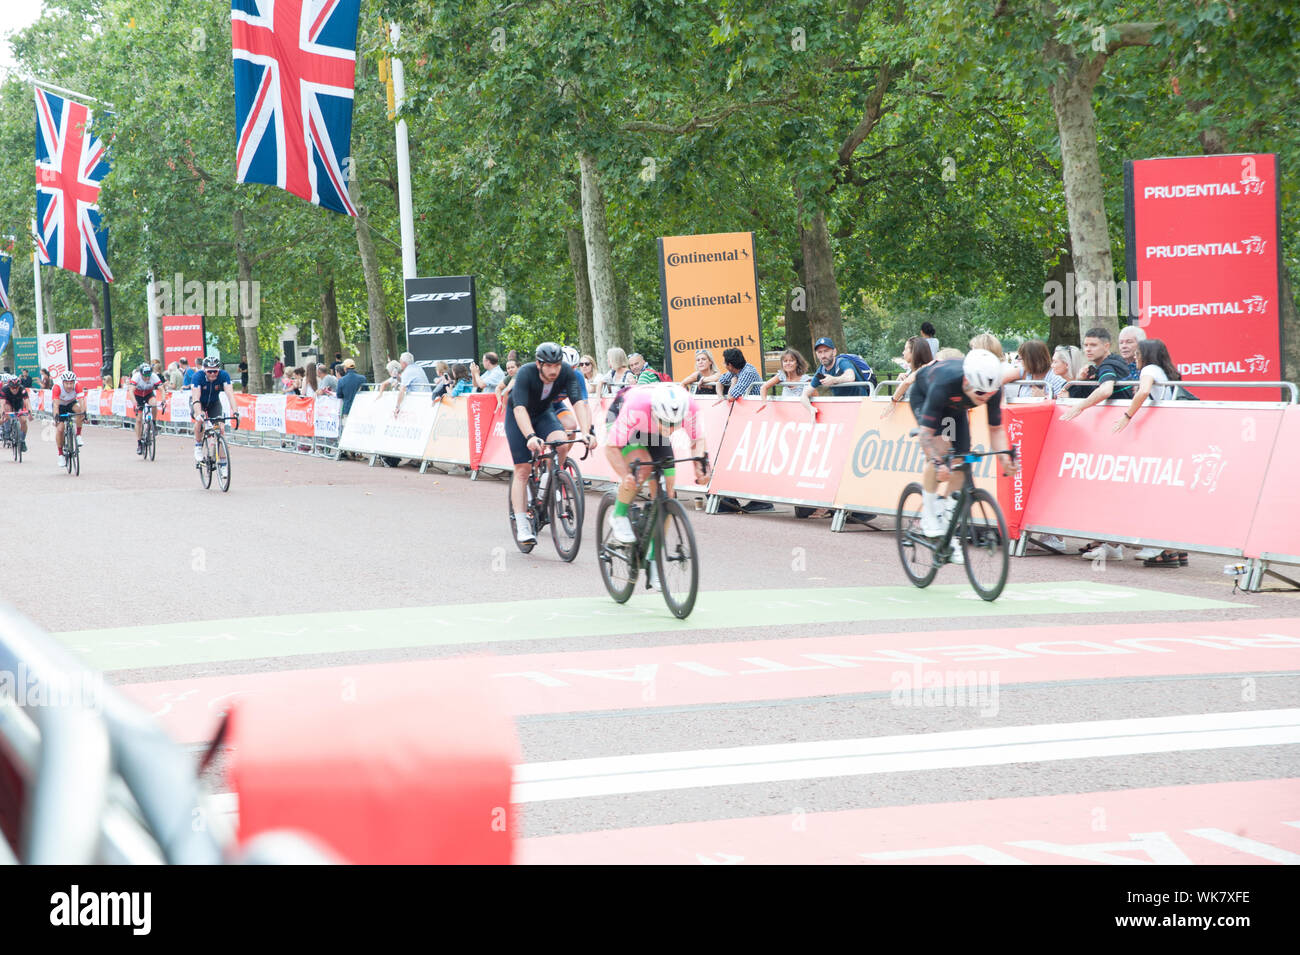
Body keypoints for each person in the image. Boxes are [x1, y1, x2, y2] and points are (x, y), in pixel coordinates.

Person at [909, 350, 1020, 562]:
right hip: (926, 395)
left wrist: (1005, 459)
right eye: (981, 394)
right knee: (940, 449)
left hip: (958, 406)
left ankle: (948, 530)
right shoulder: (943, 385)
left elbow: (996, 429)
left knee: (962, 459)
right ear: (967, 381)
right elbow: (925, 436)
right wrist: (937, 462)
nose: (985, 398)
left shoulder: (991, 390)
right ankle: (930, 515)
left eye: (990, 394)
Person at [603, 382, 710, 589]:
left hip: (653, 429)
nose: (671, 431)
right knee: (640, 470)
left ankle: (653, 560)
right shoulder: (636, 406)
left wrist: (700, 466)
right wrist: (625, 475)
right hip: (625, 419)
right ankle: (618, 514)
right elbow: (611, 447)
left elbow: (698, 441)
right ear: (655, 412)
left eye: (674, 425)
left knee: (668, 493)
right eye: (666, 424)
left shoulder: (688, 406)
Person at [507, 342, 595, 544]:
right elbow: (519, 409)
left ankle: (548, 480)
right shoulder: (526, 374)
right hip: (519, 416)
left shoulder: (566, 372)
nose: (554, 370)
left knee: (562, 444)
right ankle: (522, 525)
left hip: (544, 413)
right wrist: (530, 436)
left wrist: (587, 431)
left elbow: (579, 403)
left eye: (557, 365)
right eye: (549, 366)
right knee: (522, 469)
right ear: (539, 364)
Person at [1112, 338, 1187, 567]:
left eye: (1137, 353)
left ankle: (1160, 547)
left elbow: (1144, 391)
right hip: (1168, 437)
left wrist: (1127, 416)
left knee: (1153, 491)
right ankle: (1175, 548)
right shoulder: (1166, 371)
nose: (1135, 357)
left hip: (1158, 439)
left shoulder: (1149, 370)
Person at [1059, 327, 1134, 423]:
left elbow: (1105, 390)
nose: (1088, 349)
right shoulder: (1113, 361)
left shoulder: (1107, 366)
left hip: (1118, 418)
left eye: (1093, 345)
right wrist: (1080, 379)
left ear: (1106, 346)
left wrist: (1079, 407)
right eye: (1086, 345)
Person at [189, 356, 236, 474]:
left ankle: (223, 465)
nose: (212, 374)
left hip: (214, 403)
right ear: (204, 370)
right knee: (200, 420)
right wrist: (199, 413)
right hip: (199, 402)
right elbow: (196, 397)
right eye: (209, 371)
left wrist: (235, 411)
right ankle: (198, 445)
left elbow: (230, 394)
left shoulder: (223, 375)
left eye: (215, 371)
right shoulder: (197, 377)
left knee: (220, 430)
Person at [758, 347, 815, 421]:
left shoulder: (806, 380)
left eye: (791, 361)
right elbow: (764, 387)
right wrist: (764, 402)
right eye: (785, 361)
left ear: (797, 363)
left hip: (802, 416)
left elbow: (816, 399)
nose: (788, 363)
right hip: (786, 417)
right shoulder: (782, 376)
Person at [883, 336, 935, 416]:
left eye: (905, 349)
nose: (903, 352)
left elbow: (907, 383)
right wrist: (898, 381)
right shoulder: (910, 371)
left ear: (914, 351)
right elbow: (902, 394)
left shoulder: (925, 369)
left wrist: (892, 401)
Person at [128, 361, 165, 454]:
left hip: (148, 394)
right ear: (141, 374)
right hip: (138, 396)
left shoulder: (154, 376)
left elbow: (162, 389)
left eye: (149, 375)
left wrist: (164, 400)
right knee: (139, 420)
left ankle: (153, 423)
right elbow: (131, 391)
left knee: (154, 403)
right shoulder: (136, 377)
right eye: (145, 376)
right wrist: (134, 403)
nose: (147, 378)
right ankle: (139, 443)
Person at [51, 370, 86, 465]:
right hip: (60, 405)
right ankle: (60, 455)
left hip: (71, 403)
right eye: (67, 383)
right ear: (63, 383)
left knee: (79, 411)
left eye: (71, 383)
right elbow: (55, 405)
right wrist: (56, 417)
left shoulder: (78, 386)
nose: (69, 386)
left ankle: (78, 435)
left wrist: (84, 413)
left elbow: (82, 400)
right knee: (60, 428)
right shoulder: (57, 387)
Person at [1, 373, 30, 453]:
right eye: (12, 387)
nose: (14, 389)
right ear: (9, 386)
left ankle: (22, 440)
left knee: (24, 421)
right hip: (8, 403)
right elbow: (2, 403)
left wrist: (29, 412)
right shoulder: (4, 389)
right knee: (5, 414)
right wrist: (2, 413)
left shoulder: (22, 389)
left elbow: (27, 402)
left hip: (18, 404)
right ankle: (7, 432)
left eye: (16, 387)